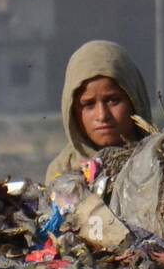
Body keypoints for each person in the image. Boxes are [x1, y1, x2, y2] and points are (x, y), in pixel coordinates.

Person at [45, 40, 151, 183]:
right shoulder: (62, 172)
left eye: (113, 100)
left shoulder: (162, 163)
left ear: (134, 100)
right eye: (88, 104)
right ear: (72, 111)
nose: (102, 115)